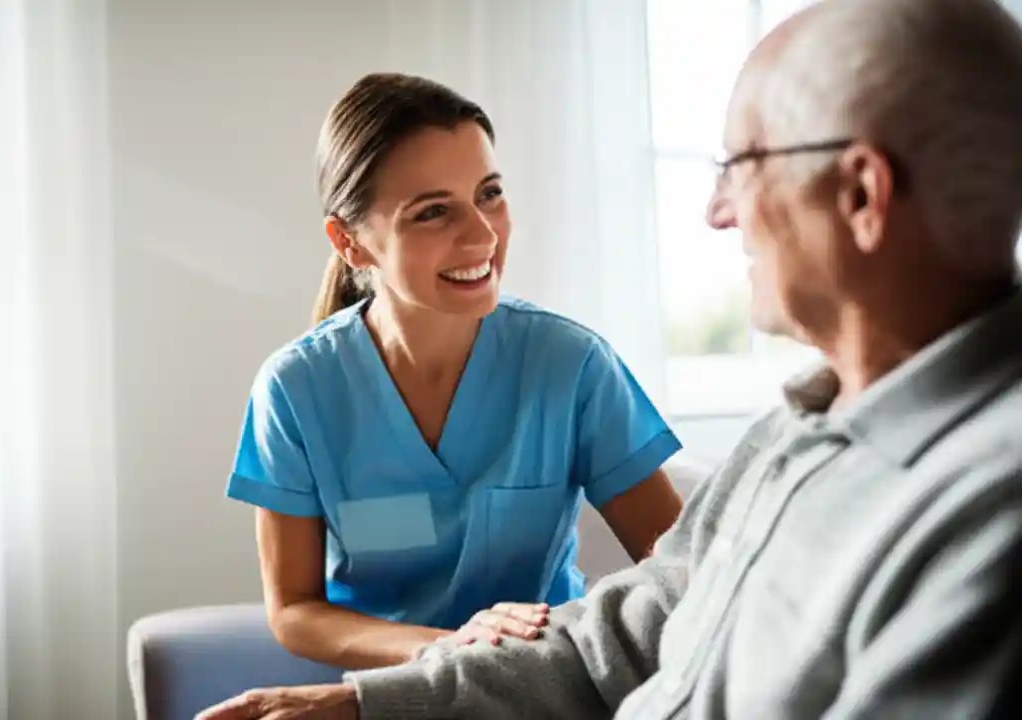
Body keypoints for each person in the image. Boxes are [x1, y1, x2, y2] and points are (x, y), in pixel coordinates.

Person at [199, 0, 1022, 716]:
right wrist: (369, 703)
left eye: (741, 165)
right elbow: (643, 619)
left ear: (859, 197)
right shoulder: (784, 438)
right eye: (432, 212)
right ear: (351, 243)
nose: (714, 211)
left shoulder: (986, 515)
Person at [224, 73, 685, 671]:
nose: (483, 233)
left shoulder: (571, 366)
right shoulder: (295, 391)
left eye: (489, 193)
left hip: (542, 687)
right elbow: (294, 610)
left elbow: (683, 569)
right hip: (389, 694)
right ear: (350, 242)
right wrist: (445, 648)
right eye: (433, 212)